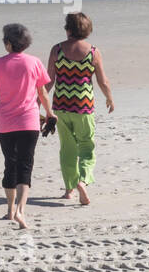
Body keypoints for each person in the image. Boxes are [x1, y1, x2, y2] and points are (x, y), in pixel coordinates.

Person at [0, 23, 52, 229]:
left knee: (10, 164)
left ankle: (10, 210)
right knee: (25, 165)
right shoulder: (34, 62)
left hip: (5, 123)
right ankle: (21, 210)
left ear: (8, 44)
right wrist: (50, 113)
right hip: (29, 122)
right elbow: (43, 93)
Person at [46, 12, 115, 205]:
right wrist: (109, 98)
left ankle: (69, 189)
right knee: (86, 146)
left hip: (60, 106)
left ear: (67, 29)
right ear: (87, 30)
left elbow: (49, 80)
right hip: (84, 106)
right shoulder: (93, 51)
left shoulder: (57, 50)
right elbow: (103, 80)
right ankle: (83, 181)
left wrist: (39, 101)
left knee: (67, 148)